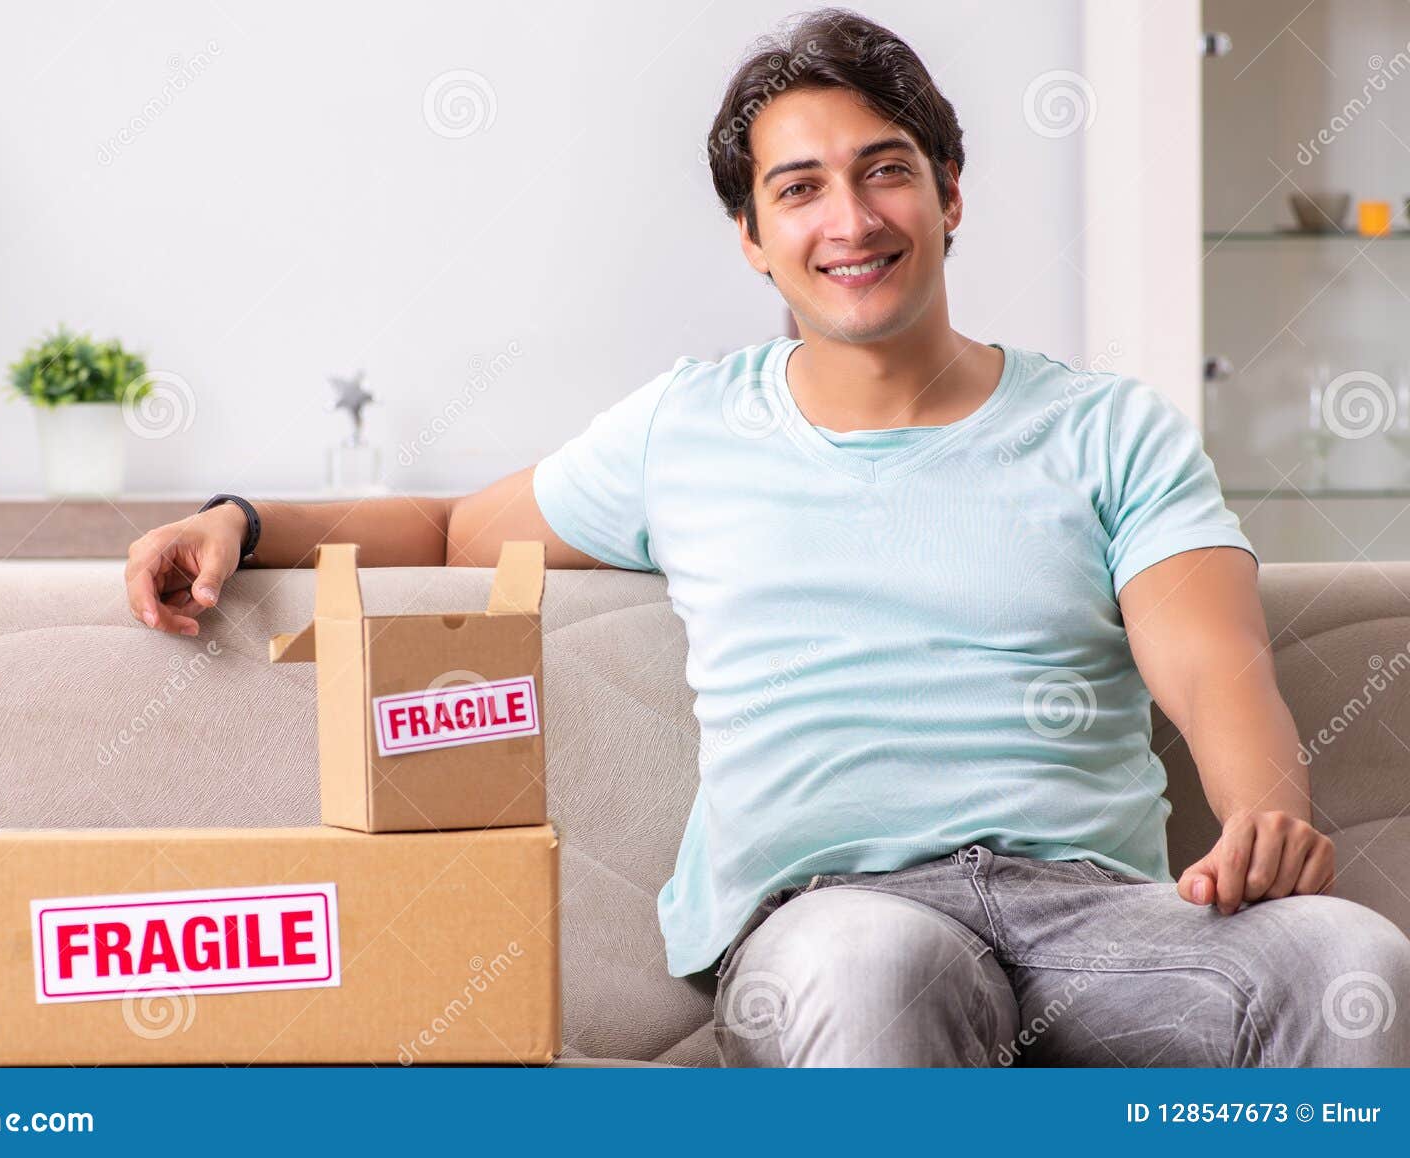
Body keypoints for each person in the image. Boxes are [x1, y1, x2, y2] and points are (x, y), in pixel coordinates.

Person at [125, 8, 1410, 1066]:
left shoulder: (1109, 430)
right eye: (799, 190)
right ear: (753, 238)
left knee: (1349, 959)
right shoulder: (686, 429)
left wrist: (1262, 816)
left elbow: (1208, 661)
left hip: (1095, 919)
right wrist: (241, 519)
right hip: (828, 922)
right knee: (879, 968)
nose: (848, 220)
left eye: (885, 169)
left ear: (949, 193)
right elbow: (455, 525)